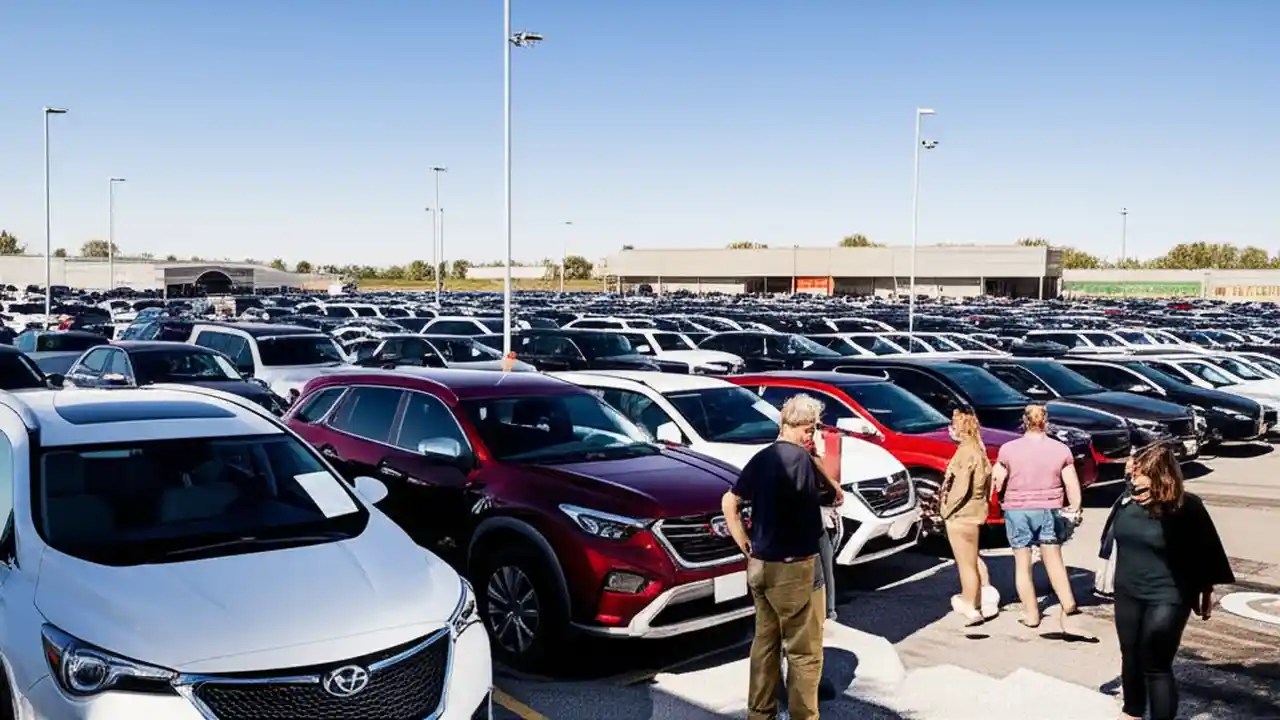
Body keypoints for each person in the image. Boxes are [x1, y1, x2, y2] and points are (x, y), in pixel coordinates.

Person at [722, 394, 843, 720]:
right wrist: (816, 459)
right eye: (812, 428)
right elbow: (836, 496)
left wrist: (745, 544)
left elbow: (729, 503)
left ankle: (760, 714)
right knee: (804, 652)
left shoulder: (760, 458)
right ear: (806, 429)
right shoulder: (802, 460)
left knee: (765, 644)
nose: (813, 434)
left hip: (761, 564)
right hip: (796, 567)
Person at [1100, 443, 1233, 720]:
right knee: (1131, 655)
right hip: (1128, 591)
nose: (1133, 478)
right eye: (1132, 472)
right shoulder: (1126, 500)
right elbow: (1110, 542)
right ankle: (1132, 712)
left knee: (1156, 664)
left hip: (1169, 596)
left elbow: (1207, 551)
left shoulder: (1186, 507)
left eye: (1139, 472)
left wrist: (1205, 594)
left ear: (1159, 474)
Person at [992, 404, 1084, 632]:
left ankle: (1032, 614)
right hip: (1049, 509)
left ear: (1024, 421)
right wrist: (1074, 509)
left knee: (1023, 565)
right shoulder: (1060, 450)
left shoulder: (1008, 449)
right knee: (1053, 558)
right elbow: (1072, 485)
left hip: (1017, 510)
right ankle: (1068, 602)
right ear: (1046, 420)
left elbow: (998, 481)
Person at [938, 409, 996, 625]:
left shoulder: (965, 453)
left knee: (965, 565)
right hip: (975, 513)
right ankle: (979, 603)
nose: (949, 430)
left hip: (960, 516)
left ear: (961, 429)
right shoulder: (980, 451)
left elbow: (960, 487)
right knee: (972, 561)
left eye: (953, 426)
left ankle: (969, 604)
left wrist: (945, 511)